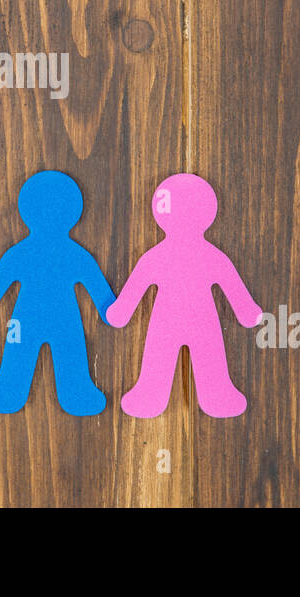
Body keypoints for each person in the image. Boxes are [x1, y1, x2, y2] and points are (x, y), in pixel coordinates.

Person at [107, 173, 262, 417]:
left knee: (204, 355)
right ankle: (150, 393)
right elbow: (137, 284)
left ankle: (217, 393)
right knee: (165, 355)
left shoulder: (161, 256)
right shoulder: (205, 255)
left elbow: (232, 285)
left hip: (177, 318)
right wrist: (246, 311)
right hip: (186, 318)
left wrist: (120, 312)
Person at [0, 170, 116, 415]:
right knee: (45, 349)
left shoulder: (23, 252)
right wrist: (111, 310)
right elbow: (98, 287)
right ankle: (17, 387)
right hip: (57, 315)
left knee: (47, 349)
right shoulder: (72, 253)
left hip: (31, 314)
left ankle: (72, 390)